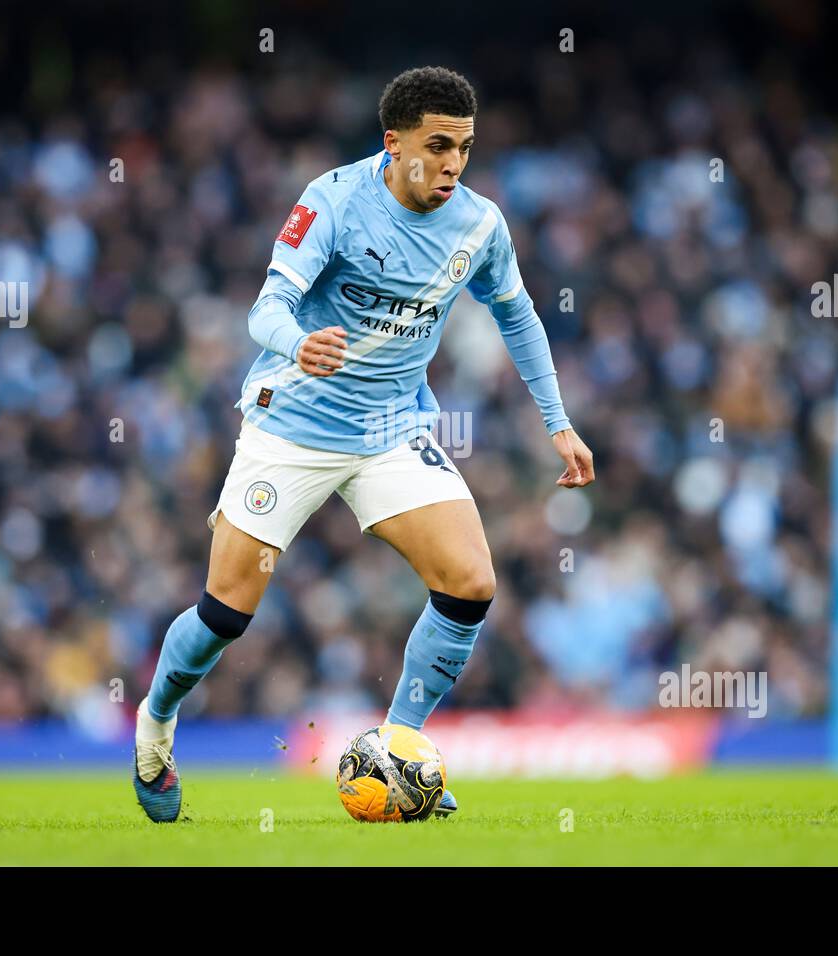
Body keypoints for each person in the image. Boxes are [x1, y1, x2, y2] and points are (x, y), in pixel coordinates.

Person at [133, 66, 595, 822]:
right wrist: (299, 341)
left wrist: (558, 421)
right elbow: (265, 307)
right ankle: (155, 721)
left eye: (465, 149)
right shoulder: (335, 200)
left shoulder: (480, 225)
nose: (452, 164)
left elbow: (518, 317)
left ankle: (401, 747)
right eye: (437, 146)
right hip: (294, 425)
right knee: (226, 614)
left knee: (471, 581)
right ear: (394, 143)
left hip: (390, 428)